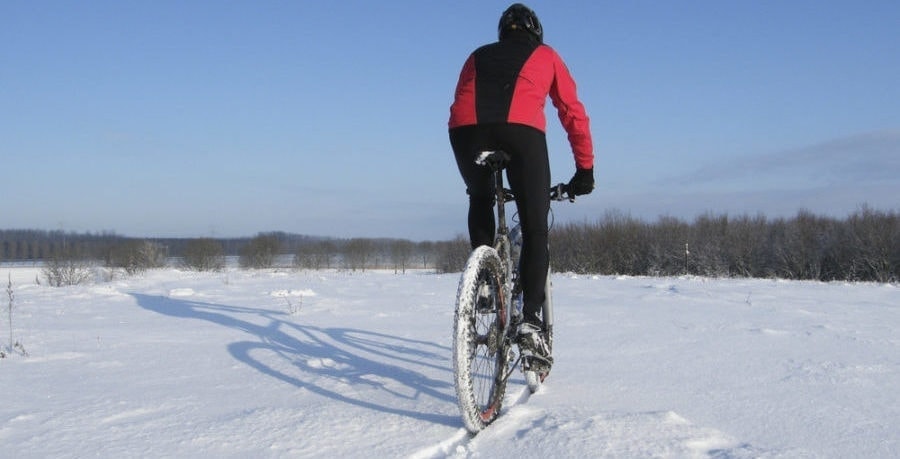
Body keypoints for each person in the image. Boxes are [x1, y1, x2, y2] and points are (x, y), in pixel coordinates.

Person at [448, 4, 595, 367]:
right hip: (520, 132)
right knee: (534, 228)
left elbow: (461, 95)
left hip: (465, 132)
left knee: (480, 195)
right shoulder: (546, 55)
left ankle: (483, 281)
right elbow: (572, 112)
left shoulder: (476, 55)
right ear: (536, 33)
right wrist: (584, 170)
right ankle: (530, 320)